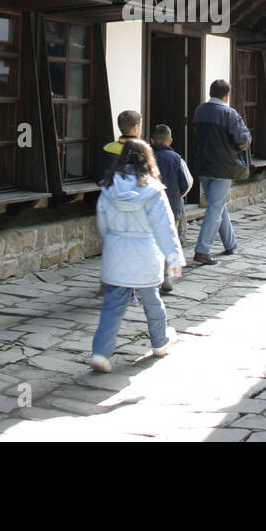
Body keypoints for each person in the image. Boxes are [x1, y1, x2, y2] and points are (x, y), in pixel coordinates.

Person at [89, 139, 185, 373]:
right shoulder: (153, 190)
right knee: (152, 301)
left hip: (117, 253)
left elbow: (102, 223)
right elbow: (165, 227)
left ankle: (101, 353)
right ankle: (159, 342)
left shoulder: (109, 187)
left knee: (113, 306)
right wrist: (174, 258)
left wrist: (113, 242)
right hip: (146, 253)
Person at [190, 79, 251, 265]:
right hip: (223, 167)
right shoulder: (229, 113)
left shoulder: (200, 110)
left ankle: (230, 243)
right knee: (215, 207)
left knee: (217, 204)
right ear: (227, 95)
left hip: (203, 164)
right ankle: (202, 250)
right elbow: (244, 138)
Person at [151, 124, 193, 292]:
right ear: (170, 141)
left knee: (152, 241)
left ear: (152, 140)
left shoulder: (146, 157)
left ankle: (151, 275)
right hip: (172, 207)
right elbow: (187, 182)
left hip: (150, 208)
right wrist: (178, 196)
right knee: (169, 240)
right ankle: (167, 276)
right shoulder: (176, 158)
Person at [96, 109, 141, 185]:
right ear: (136, 127)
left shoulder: (107, 148)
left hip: (110, 194)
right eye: (140, 126)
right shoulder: (142, 150)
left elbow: (99, 178)